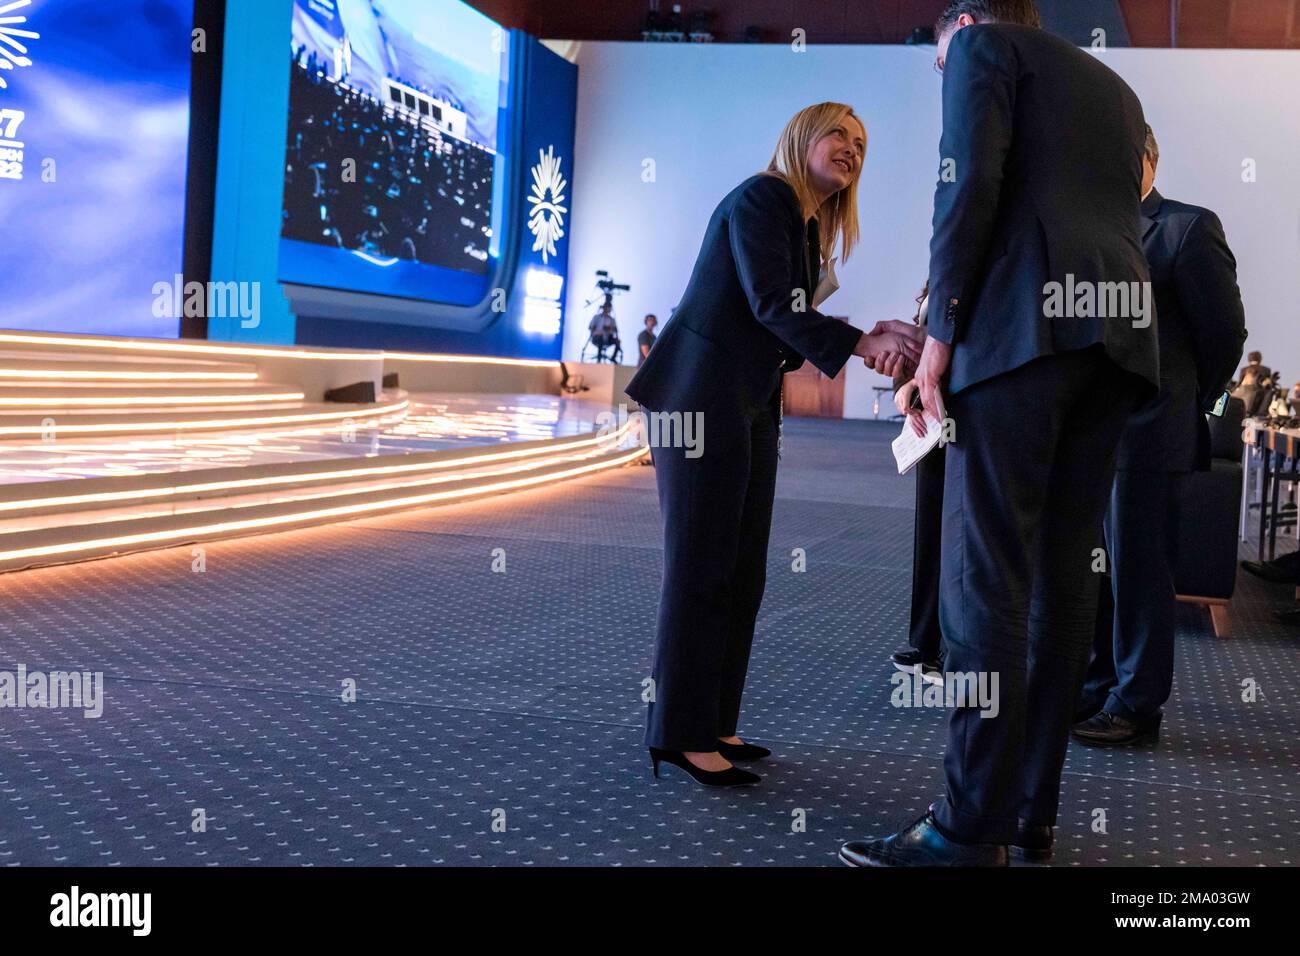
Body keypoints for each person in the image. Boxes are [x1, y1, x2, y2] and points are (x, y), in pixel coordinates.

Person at [840, 0, 1158, 867]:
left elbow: (966, 184)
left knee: (985, 583)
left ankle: (964, 831)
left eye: (940, 62)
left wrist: (937, 341)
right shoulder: (1114, 87)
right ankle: (1028, 814)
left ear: (968, 20)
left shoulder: (983, 46)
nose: (946, 74)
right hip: (1116, 342)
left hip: (1018, 335)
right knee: (1065, 584)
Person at [626, 102, 923, 788]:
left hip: (745, 401)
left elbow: (781, 319)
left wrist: (861, 332)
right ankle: (678, 731)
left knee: (742, 566)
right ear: (800, 138)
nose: (851, 147)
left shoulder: (807, 225)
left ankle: (715, 721)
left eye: (861, 142)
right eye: (837, 133)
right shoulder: (767, 197)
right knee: (702, 563)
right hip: (700, 400)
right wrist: (859, 342)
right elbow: (772, 306)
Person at [1074, 125, 1247, 748]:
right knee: (1093, 573)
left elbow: (1224, 335)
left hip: (1151, 435)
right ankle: (1096, 689)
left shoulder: (1187, 228)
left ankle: (1136, 704)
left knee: (1141, 575)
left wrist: (1187, 403)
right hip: (1089, 437)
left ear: (1150, 159)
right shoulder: (1090, 230)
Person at [890, 283, 945, 686]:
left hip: (966, 416)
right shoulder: (935, 279)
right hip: (932, 427)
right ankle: (925, 642)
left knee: (961, 543)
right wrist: (906, 390)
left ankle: (948, 650)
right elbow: (921, 348)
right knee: (931, 538)